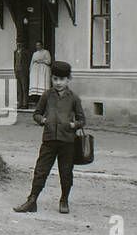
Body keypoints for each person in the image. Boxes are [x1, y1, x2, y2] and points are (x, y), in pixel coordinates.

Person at [13, 60, 85, 215]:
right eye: (55, 79)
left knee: (65, 172)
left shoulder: (73, 98)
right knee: (41, 170)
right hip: (49, 140)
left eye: (62, 79)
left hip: (67, 142)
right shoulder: (46, 95)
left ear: (68, 79)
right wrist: (43, 120)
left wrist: (73, 125)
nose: (58, 83)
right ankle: (32, 201)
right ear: (51, 78)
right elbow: (36, 114)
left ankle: (64, 200)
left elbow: (82, 120)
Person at [27, 42, 52, 108]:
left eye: (39, 45)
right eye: (36, 45)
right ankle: (36, 101)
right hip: (35, 72)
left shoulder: (46, 52)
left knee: (42, 84)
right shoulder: (35, 53)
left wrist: (41, 61)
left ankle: (44, 102)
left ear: (42, 45)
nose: (37, 47)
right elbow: (31, 62)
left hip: (43, 71)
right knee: (36, 84)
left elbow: (49, 61)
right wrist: (30, 70)